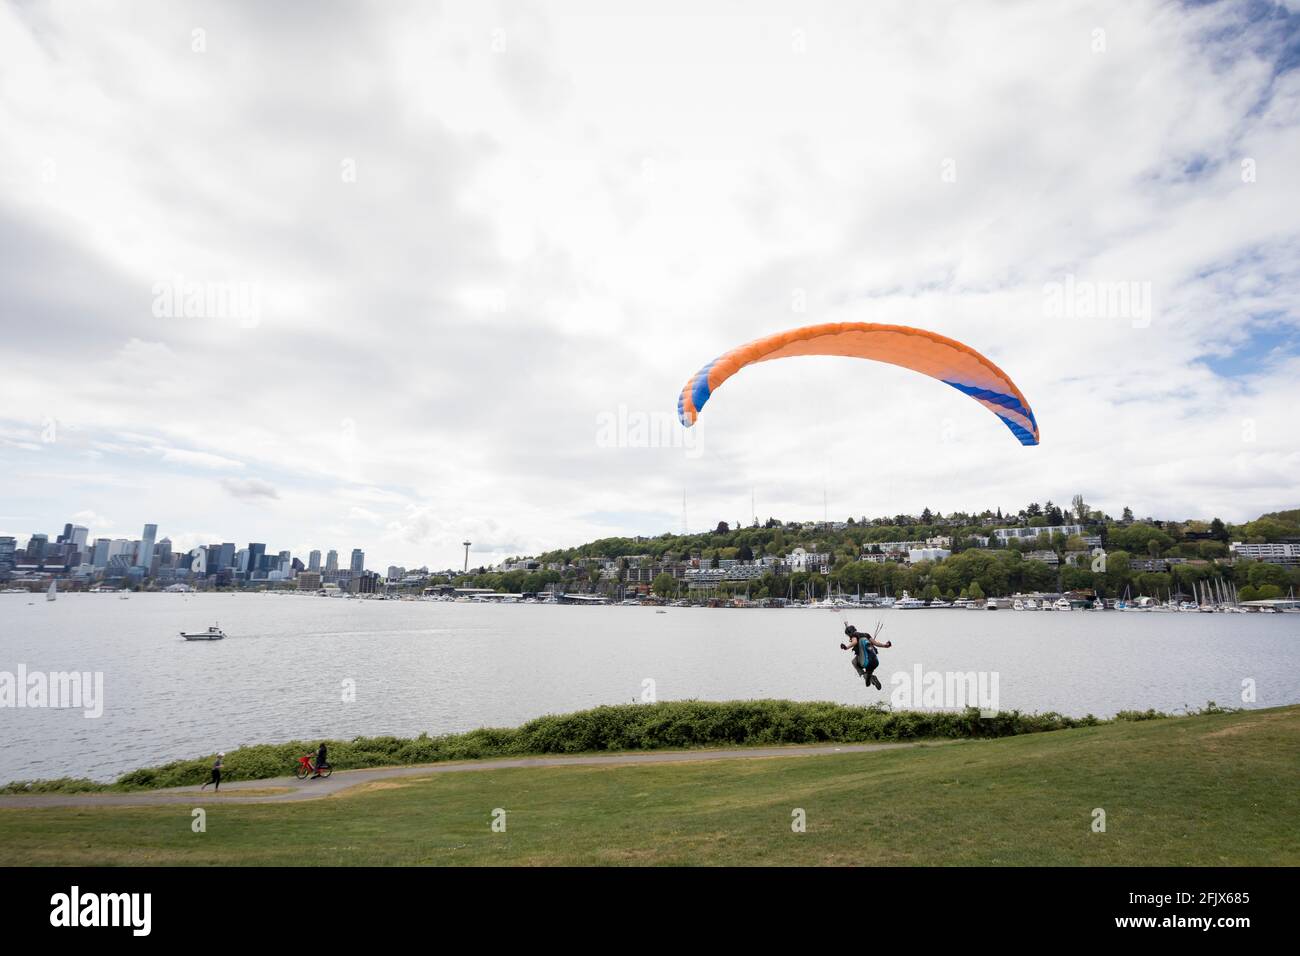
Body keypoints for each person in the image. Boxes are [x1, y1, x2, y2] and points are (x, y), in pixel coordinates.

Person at [842, 622, 891, 690]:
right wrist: (885, 645)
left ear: (849, 633)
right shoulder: (866, 634)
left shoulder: (854, 635)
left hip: (864, 660)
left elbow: (854, 642)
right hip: (874, 660)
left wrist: (846, 647)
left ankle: (867, 677)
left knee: (854, 662)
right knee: (868, 673)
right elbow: (876, 643)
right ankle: (871, 678)